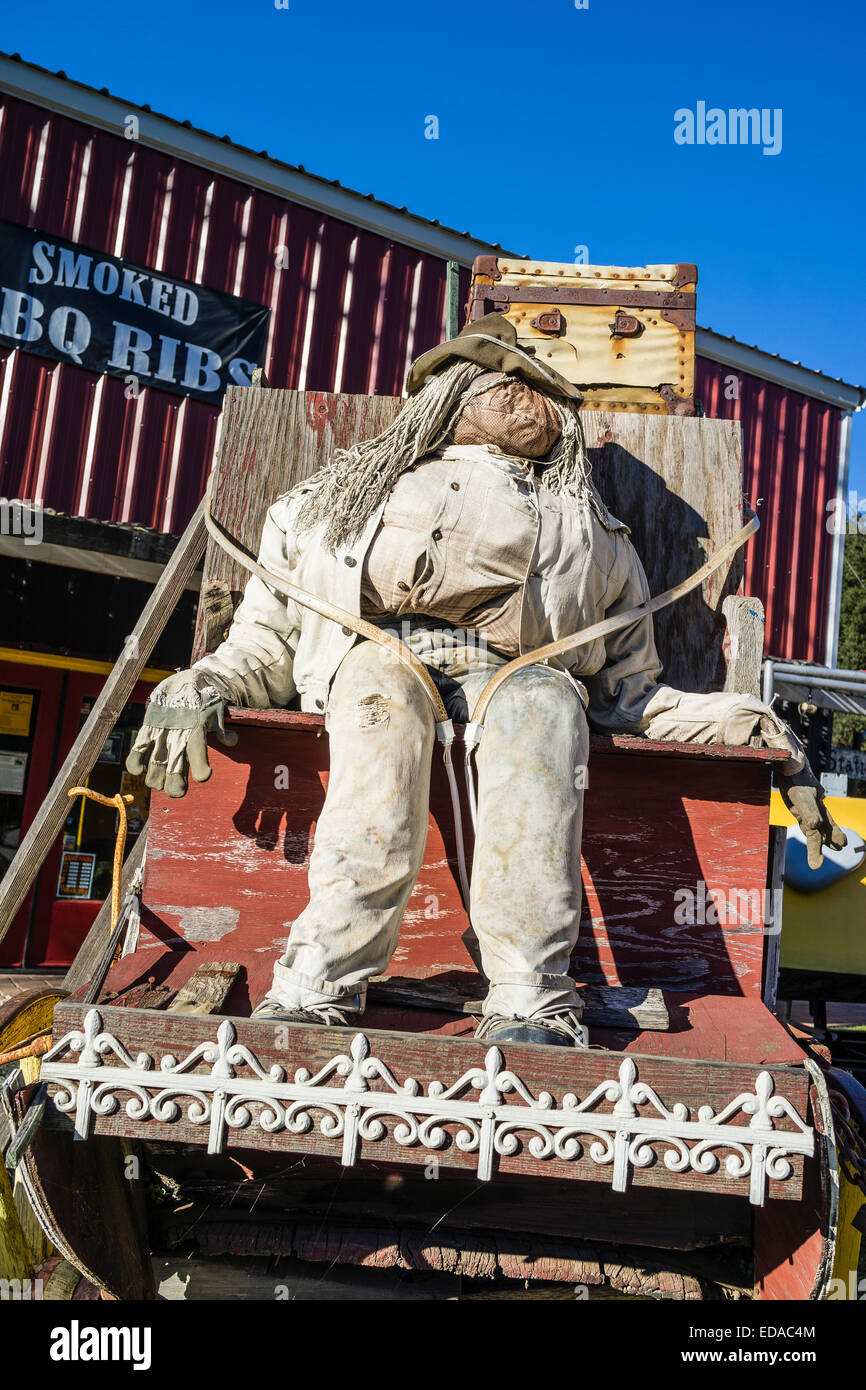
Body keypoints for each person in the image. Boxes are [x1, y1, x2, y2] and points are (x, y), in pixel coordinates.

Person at [127, 316, 844, 1048]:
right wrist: (199, 683)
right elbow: (267, 642)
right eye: (503, 378)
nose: (525, 395)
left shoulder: (594, 535)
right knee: (378, 707)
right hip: (378, 654)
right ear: (445, 396)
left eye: (537, 384)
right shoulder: (331, 504)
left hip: (523, 672)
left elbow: (632, 697)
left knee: (546, 710)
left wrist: (765, 732)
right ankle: (316, 983)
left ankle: (532, 997)